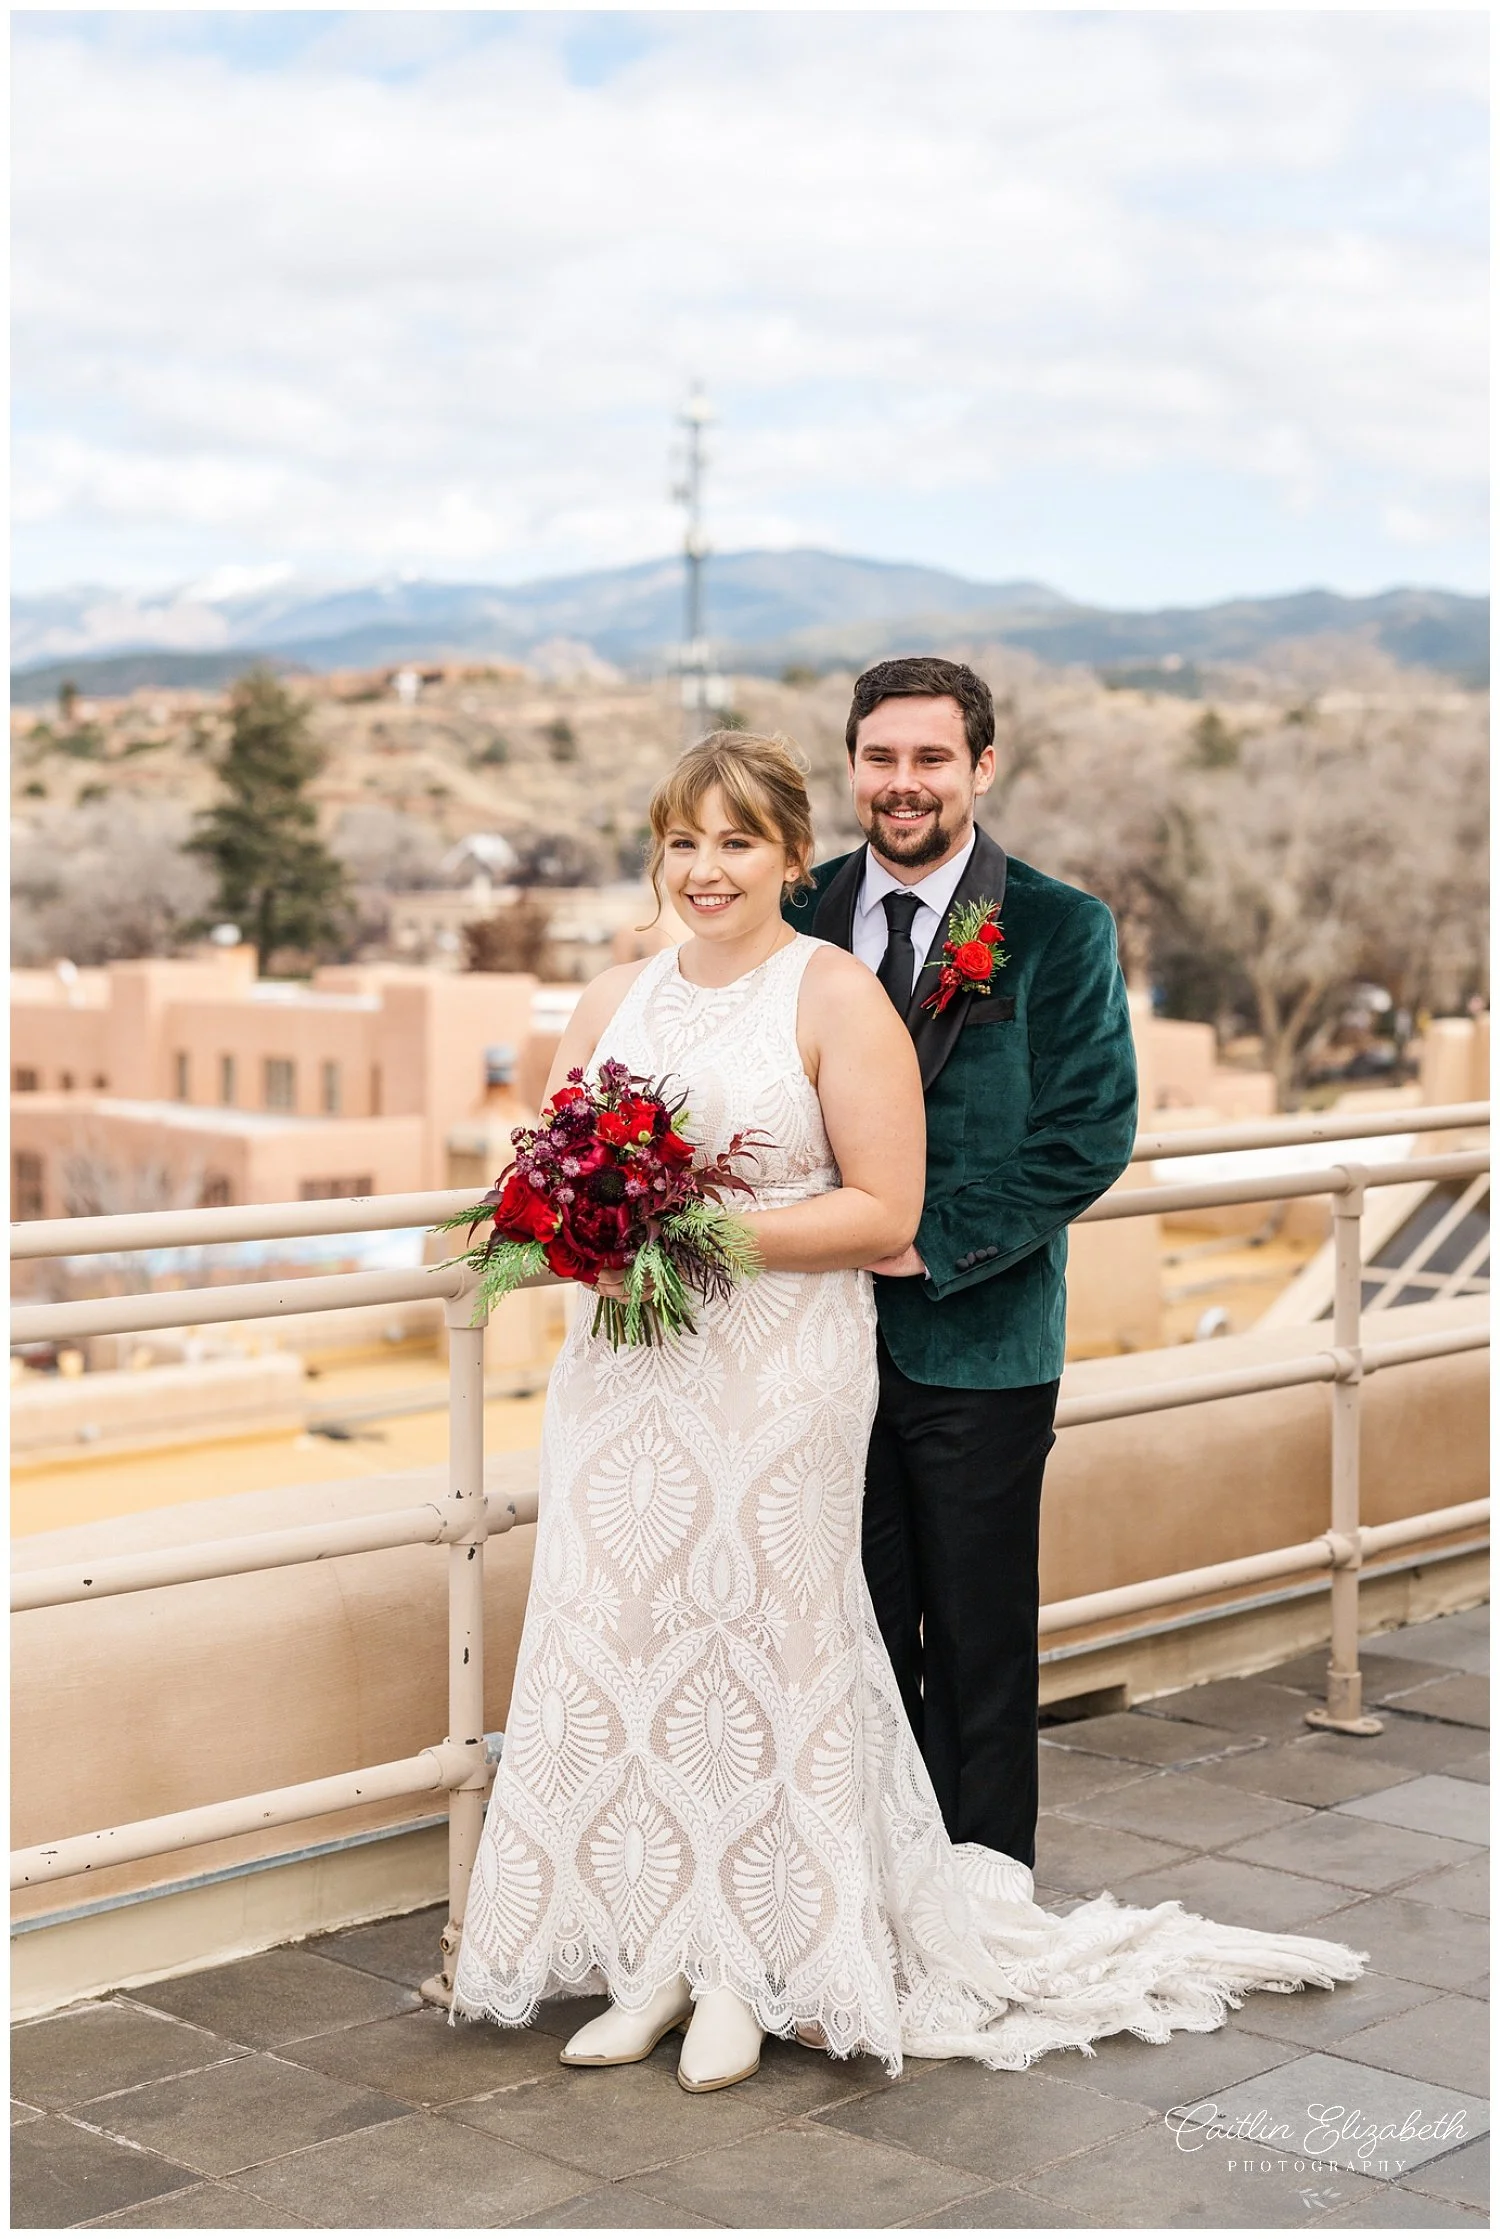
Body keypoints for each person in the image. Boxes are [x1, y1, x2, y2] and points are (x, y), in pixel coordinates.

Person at [455, 730, 1363, 2091]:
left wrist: (691, 1229)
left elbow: (882, 1206)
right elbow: (555, 1167)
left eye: (738, 841)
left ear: (787, 854)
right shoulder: (607, 995)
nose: (707, 869)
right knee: (628, 1639)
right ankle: (650, 1951)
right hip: (629, 1384)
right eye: (683, 841)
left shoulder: (832, 994)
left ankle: (750, 1964)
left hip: (779, 1376)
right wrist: (576, 1223)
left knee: (772, 1645)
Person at [784, 653, 1135, 1871]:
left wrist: (916, 1241)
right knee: (851, 1632)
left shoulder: (1056, 926)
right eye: (881, 757)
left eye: (932, 758)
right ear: (852, 765)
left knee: (981, 1642)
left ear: (981, 766)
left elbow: (1088, 1133)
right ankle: (867, 1894)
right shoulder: (796, 915)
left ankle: (982, 1901)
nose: (904, 783)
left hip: (982, 1341)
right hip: (811, 1346)